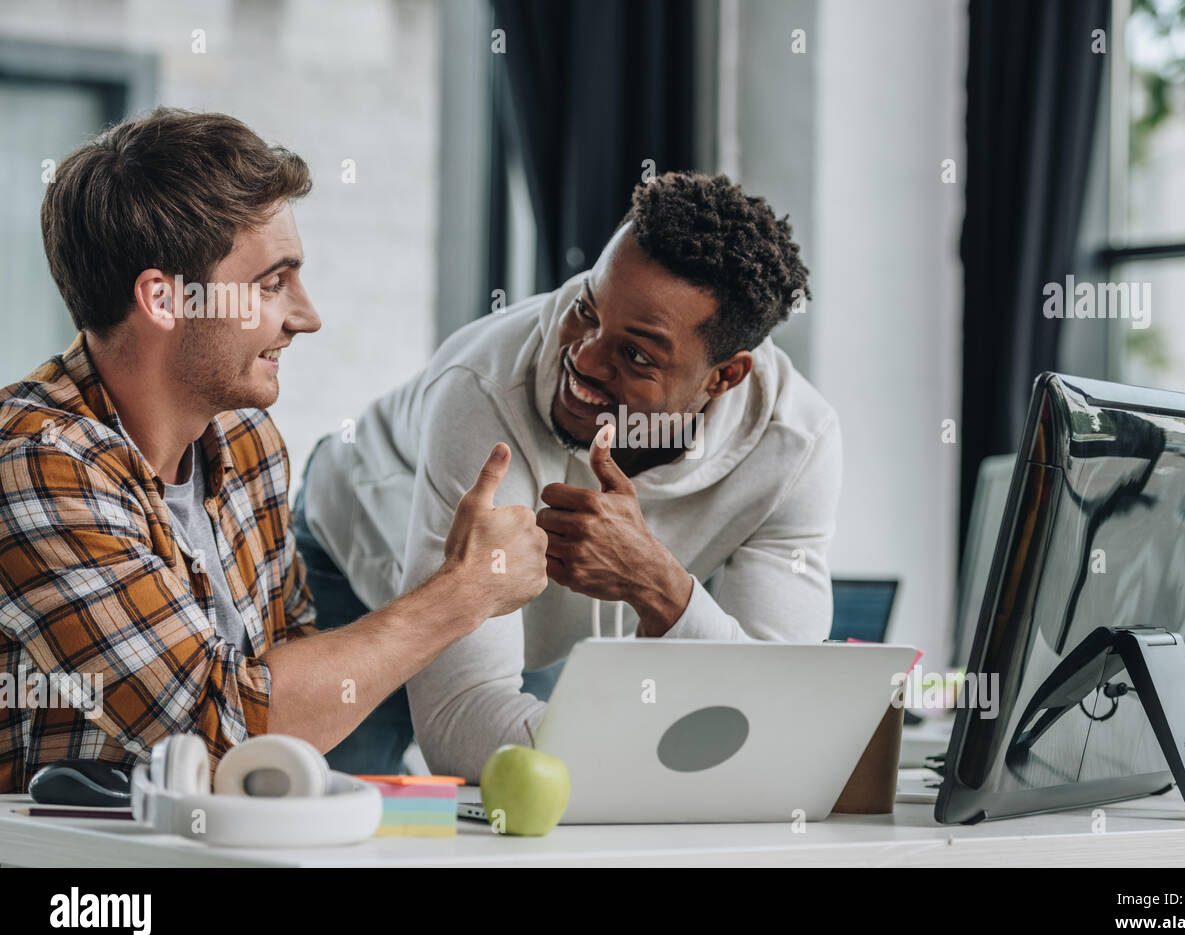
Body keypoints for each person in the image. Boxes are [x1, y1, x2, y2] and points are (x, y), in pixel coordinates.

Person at [0, 108, 547, 793]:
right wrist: (461, 594)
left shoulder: (243, 441)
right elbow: (220, 729)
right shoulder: (37, 462)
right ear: (163, 299)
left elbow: (295, 680)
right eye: (271, 282)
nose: (306, 315)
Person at [299, 171, 843, 781]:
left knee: (545, 801)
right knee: (340, 817)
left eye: (636, 354)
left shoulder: (795, 447)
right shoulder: (482, 391)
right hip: (352, 559)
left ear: (724, 376)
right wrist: (662, 760)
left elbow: (775, 707)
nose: (582, 359)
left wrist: (659, 584)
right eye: (587, 309)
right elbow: (457, 724)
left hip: (537, 622)